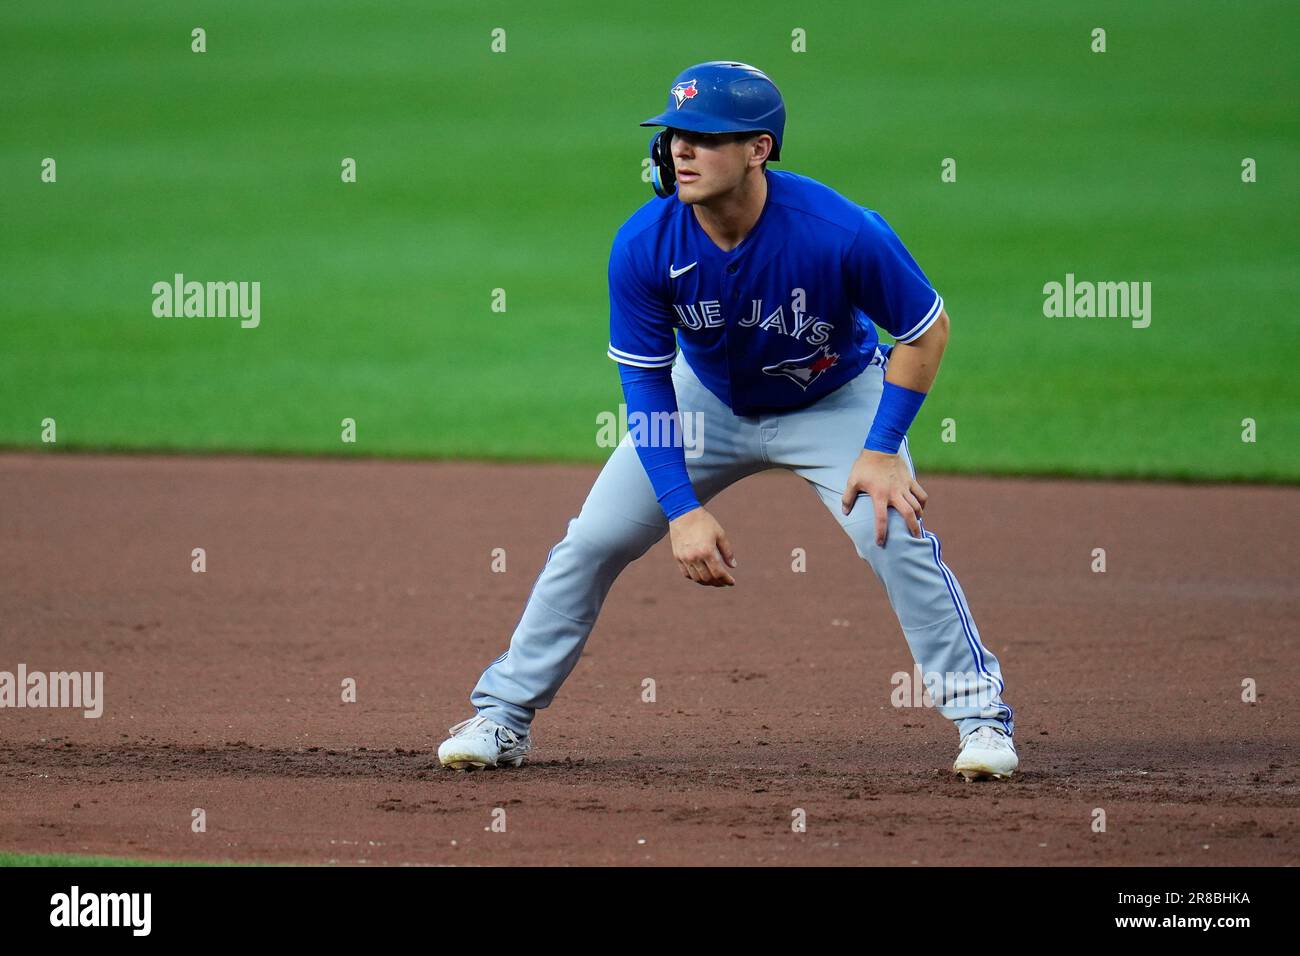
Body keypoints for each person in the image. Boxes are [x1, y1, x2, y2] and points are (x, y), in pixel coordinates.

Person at [438, 61, 1017, 781]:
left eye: (705, 137)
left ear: (757, 150)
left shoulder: (839, 232)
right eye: (675, 134)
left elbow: (925, 332)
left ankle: (981, 718)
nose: (681, 150)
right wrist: (681, 509)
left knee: (893, 534)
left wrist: (883, 446)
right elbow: (646, 382)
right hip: (705, 402)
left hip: (835, 401)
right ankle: (502, 716)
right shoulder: (646, 244)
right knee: (591, 541)